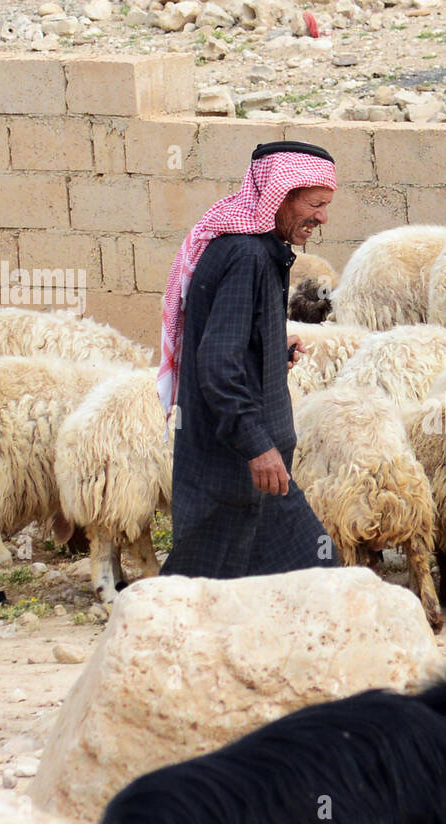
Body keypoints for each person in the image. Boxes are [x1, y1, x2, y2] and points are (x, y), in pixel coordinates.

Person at [156, 140, 340, 578]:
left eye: (326, 206)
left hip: (244, 475)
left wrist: (271, 351)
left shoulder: (255, 249)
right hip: (240, 470)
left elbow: (228, 341)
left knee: (227, 594)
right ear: (281, 194)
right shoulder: (247, 256)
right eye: (314, 204)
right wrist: (258, 447)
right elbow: (218, 365)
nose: (322, 218)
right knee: (315, 577)